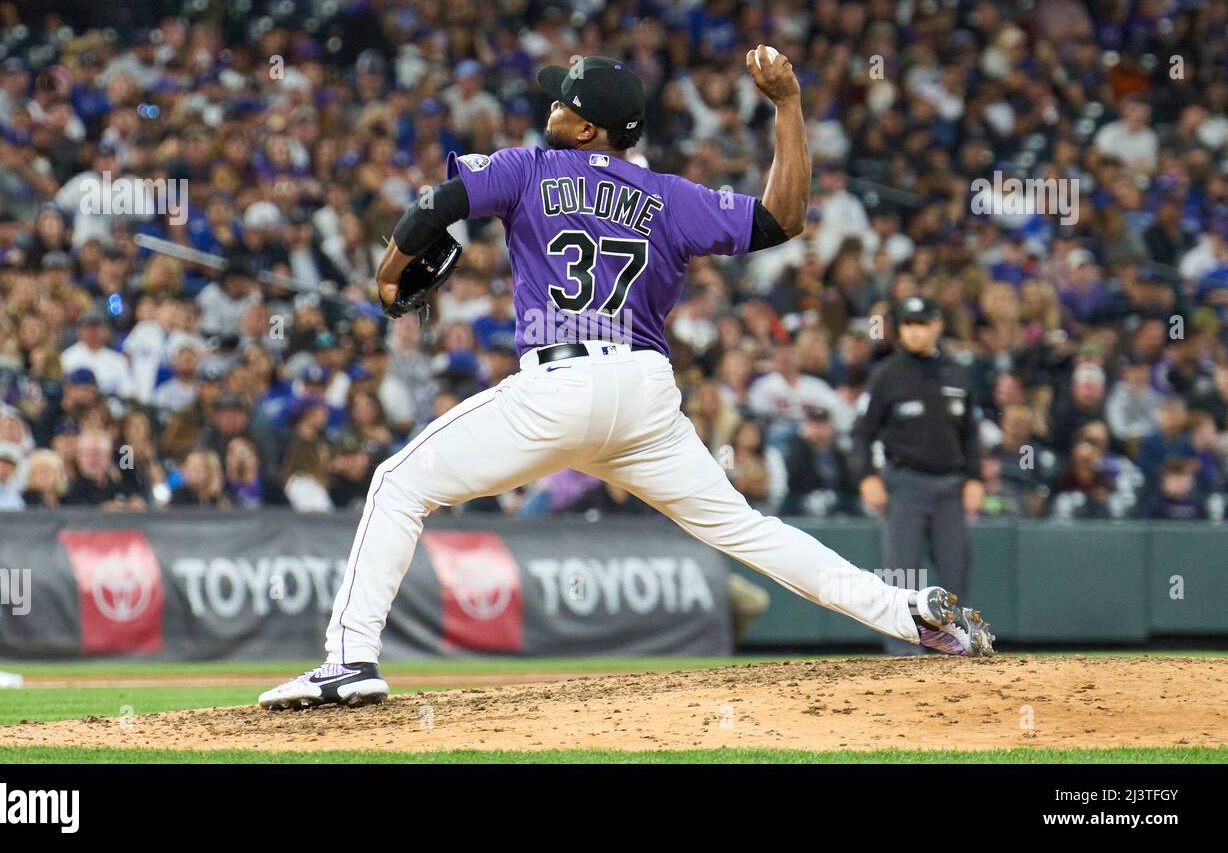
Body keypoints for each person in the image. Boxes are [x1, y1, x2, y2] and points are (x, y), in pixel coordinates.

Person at [260, 49, 994, 711]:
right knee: (745, 529)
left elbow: (433, 206)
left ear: (586, 130)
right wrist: (788, 105)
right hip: (644, 394)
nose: (550, 106)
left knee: (397, 484)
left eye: (563, 103)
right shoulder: (670, 195)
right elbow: (783, 218)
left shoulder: (527, 167)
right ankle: (910, 613)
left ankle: (350, 660)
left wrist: (389, 278)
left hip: (558, 385)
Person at [850, 296, 985, 656]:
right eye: (907, 324)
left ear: (937, 325)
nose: (914, 331)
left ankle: (955, 650)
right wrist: (867, 476)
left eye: (921, 323)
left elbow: (971, 433)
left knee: (955, 573)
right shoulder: (887, 375)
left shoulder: (958, 372)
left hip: (950, 487)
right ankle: (902, 657)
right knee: (902, 578)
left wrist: (974, 478)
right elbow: (862, 433)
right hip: (905, 483)